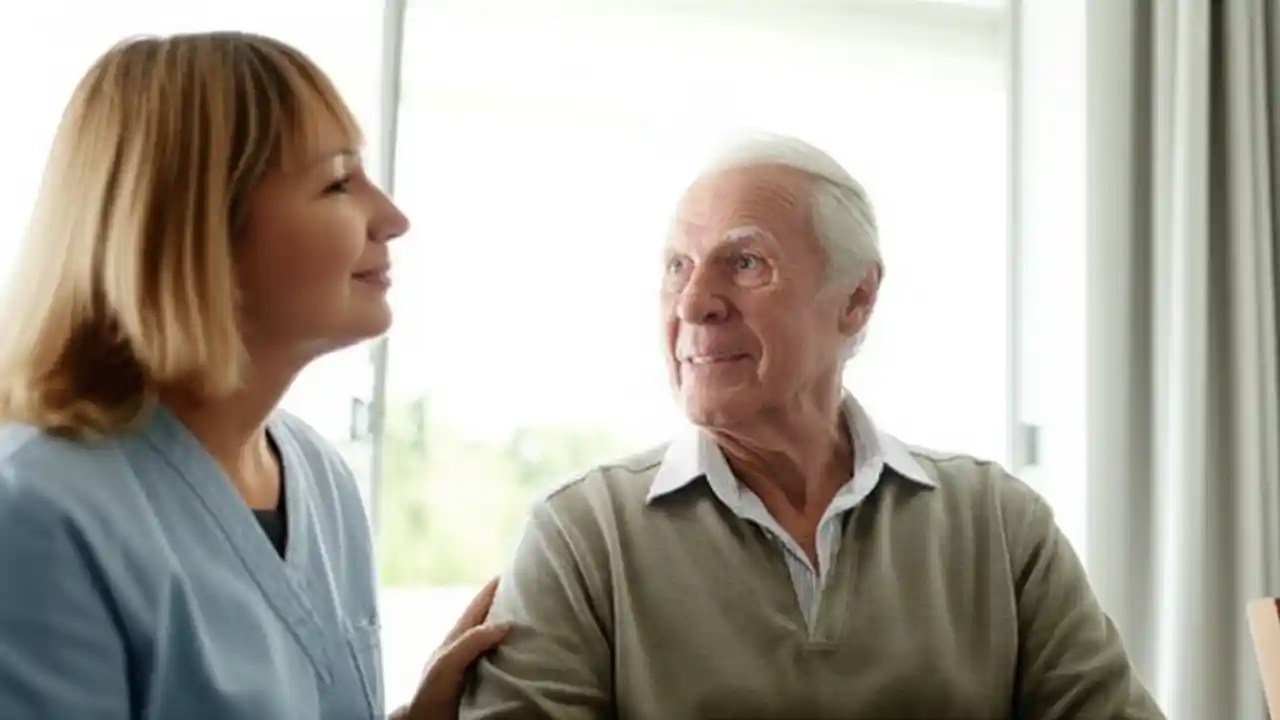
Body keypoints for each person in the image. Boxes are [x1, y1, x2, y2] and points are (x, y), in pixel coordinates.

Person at [460, 132, 1166, 719]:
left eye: (745, 262)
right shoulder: (581, 536)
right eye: (678, 266)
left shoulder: (1001, 524)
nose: (695, 302)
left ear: (856, 299)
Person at [0, 32, 504, 719]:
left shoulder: (322, 479)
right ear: (198, 226)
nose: (392, 218)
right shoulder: (35, 511)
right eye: (337, 182)